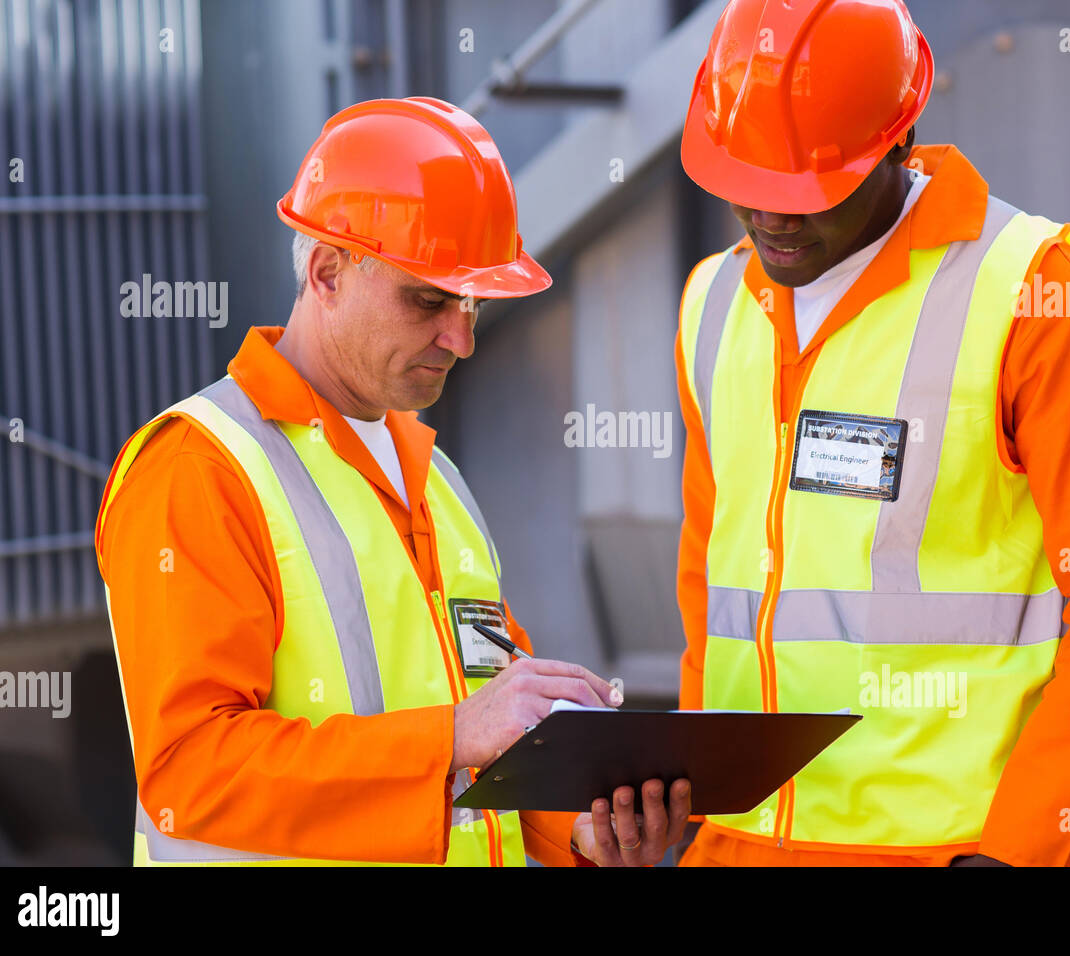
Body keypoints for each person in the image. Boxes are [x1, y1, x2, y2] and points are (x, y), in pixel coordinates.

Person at [95, 97, 689, 867]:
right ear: (327, 272)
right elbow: (190, 772)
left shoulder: (434, 478)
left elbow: (490, 754)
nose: (462, 338)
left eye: (471, 302)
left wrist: (578, 831)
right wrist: (449, 736)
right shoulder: (199, 469)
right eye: (429, 300)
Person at [673, 0, 1070, 866]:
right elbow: (709, 586)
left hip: (953, 850)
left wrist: (1026, 852)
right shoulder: (714, 302)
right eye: (747, 186)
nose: (774, 221)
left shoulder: (1040, 295)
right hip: (741, 844)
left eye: (810, 192)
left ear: (901, 142)